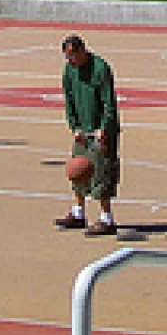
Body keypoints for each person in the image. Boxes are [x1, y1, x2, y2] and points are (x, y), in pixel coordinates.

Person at [56, 34, 121, 237]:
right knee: (78, 172)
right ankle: (78, 213)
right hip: (82, 131)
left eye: (73, 57)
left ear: (82, 51)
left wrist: (104, 128)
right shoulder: (69, 71)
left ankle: (106, 219)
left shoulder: (100, 69)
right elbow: (69, 101)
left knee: (101, 174)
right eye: (67, 58)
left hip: (102, 132)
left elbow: (109, 103)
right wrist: (75, 127)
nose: (70, 62)